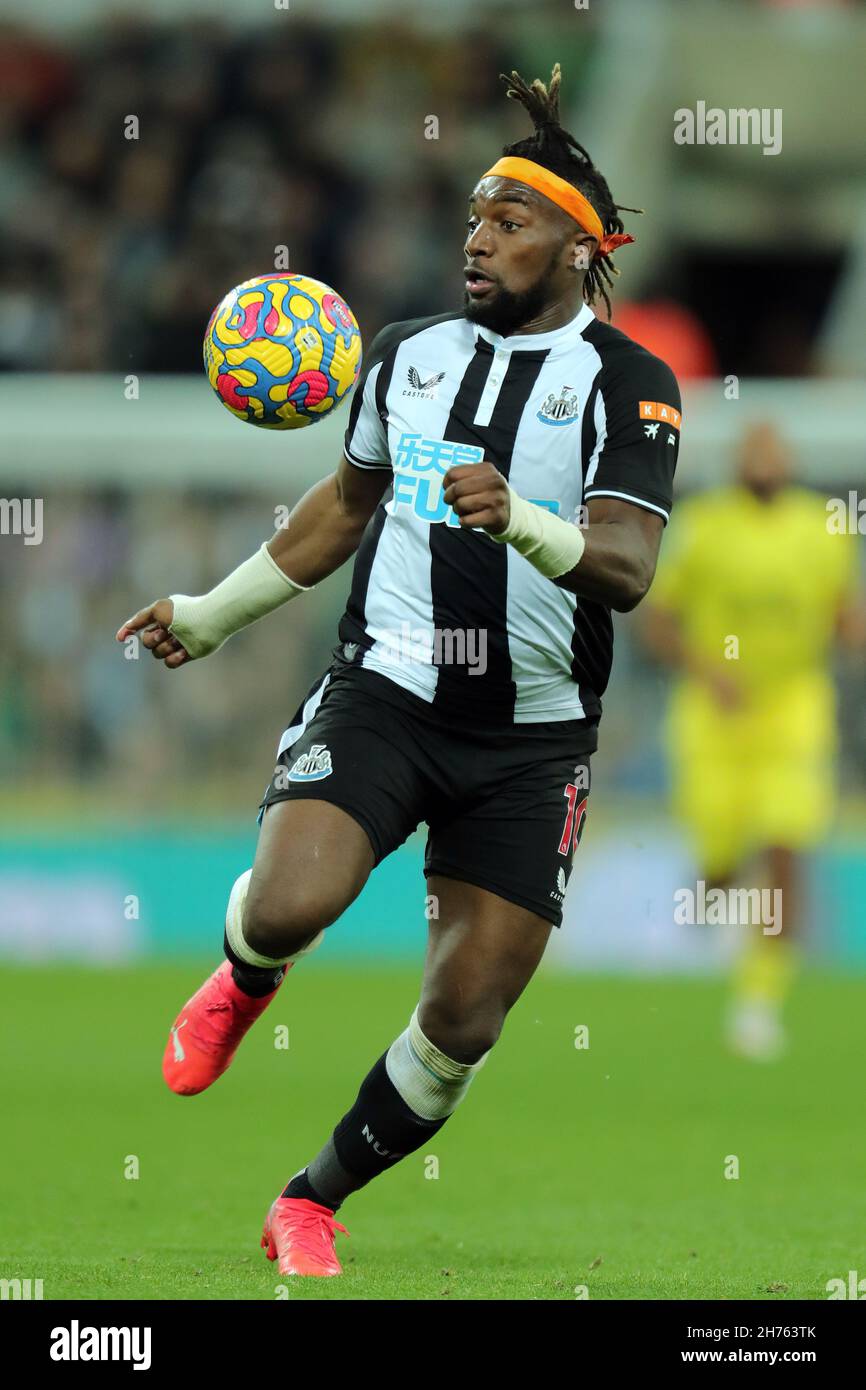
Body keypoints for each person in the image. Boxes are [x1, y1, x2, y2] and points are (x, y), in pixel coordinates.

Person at [117, 64, 681, 1278]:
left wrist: (521, 521)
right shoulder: (405, 353)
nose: (475, 239)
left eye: (508, 221)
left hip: (532, 741)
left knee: (465, 1013)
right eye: (472, 216)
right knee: (288, 903)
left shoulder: (630, 384)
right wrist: (213, 614)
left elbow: (627, 567)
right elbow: (343, 506)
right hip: (387, 691)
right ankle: (242, 975)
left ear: (579, 250)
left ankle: (309, 1197)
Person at [643, 422, 863, 1060]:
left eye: (775, 449)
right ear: (740, 460)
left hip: (793, 710)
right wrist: (708, 670)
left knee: (785, 846)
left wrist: (851, 630)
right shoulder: (705, 525)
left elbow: (843, 611)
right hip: (712, 719)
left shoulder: (820, 528)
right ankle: (712, 909)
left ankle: (759, 1003)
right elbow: (658, 621)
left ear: (789, 460)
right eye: (754, 449)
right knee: (721, 861)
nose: (765, 459)